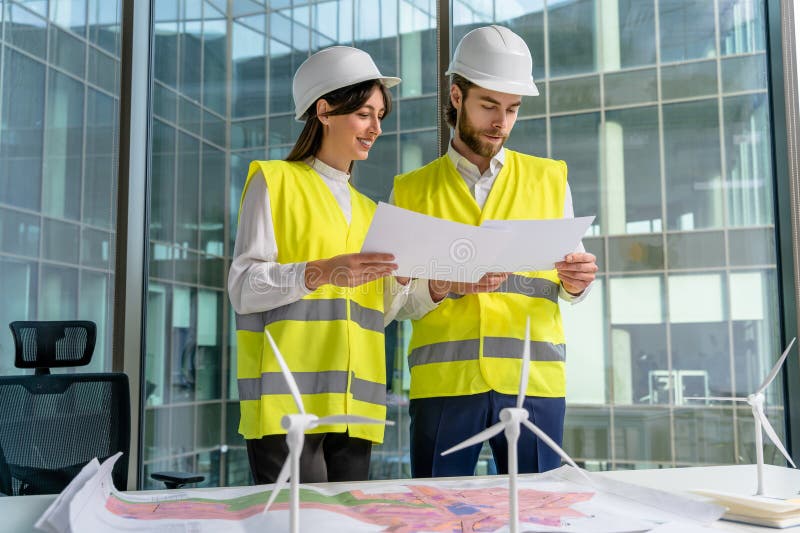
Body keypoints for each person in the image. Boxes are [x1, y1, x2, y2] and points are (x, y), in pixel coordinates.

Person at [392, 26, 598, 478]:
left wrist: (578, 283)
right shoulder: (410, 191)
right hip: (443, 387)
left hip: (534, 386)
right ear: (456, 96)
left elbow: (569, 283)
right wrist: (442, 284)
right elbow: (394, 304)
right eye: (488, 105)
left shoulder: (550, 179)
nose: (500, 122)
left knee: (538, 516)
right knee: (439, 518)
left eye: (512, 109)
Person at [228, 46, 403, 484]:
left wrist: (402, 282)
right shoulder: (274, 182)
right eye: (365, 114)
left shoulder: (370, 212)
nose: (376, 128)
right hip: (289, 406)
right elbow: (243, 288)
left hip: (355, 409)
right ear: (324, 111)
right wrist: (320, 271)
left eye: (380, 115)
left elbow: (374, 315)